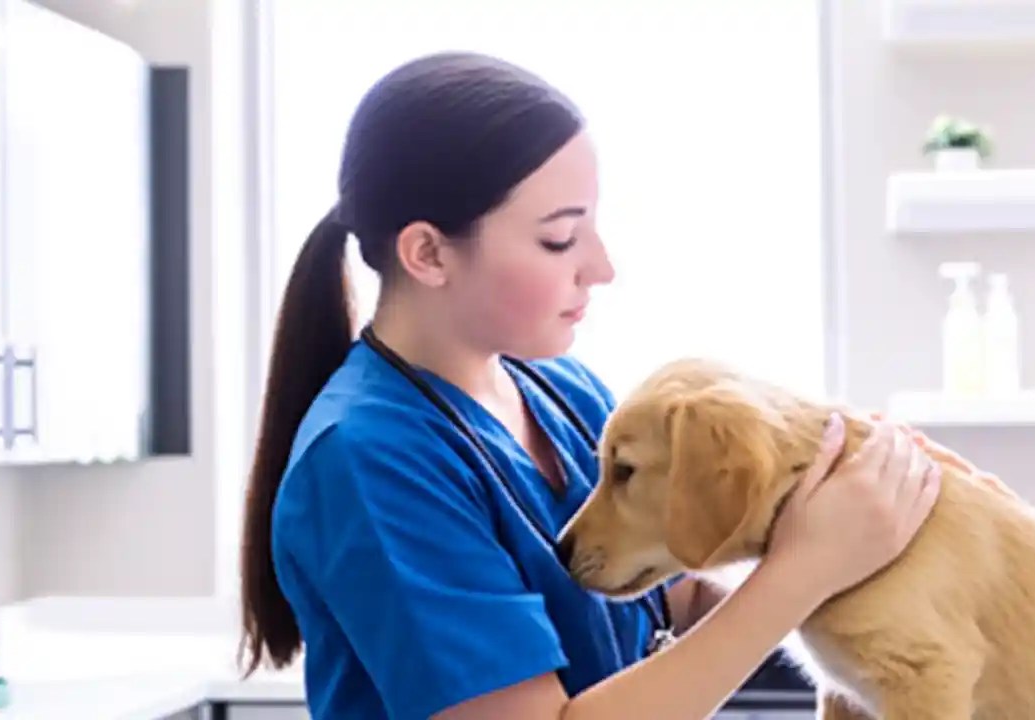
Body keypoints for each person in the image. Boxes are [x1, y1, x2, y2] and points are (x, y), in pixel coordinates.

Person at [238, 51, 942, 720]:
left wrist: (843, 520)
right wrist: (805, 568)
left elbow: (670, 598)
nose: (601, 266)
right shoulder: (367, 462)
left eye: (594, 227)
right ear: (427, 252)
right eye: (559, 239)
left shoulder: (564, 394)